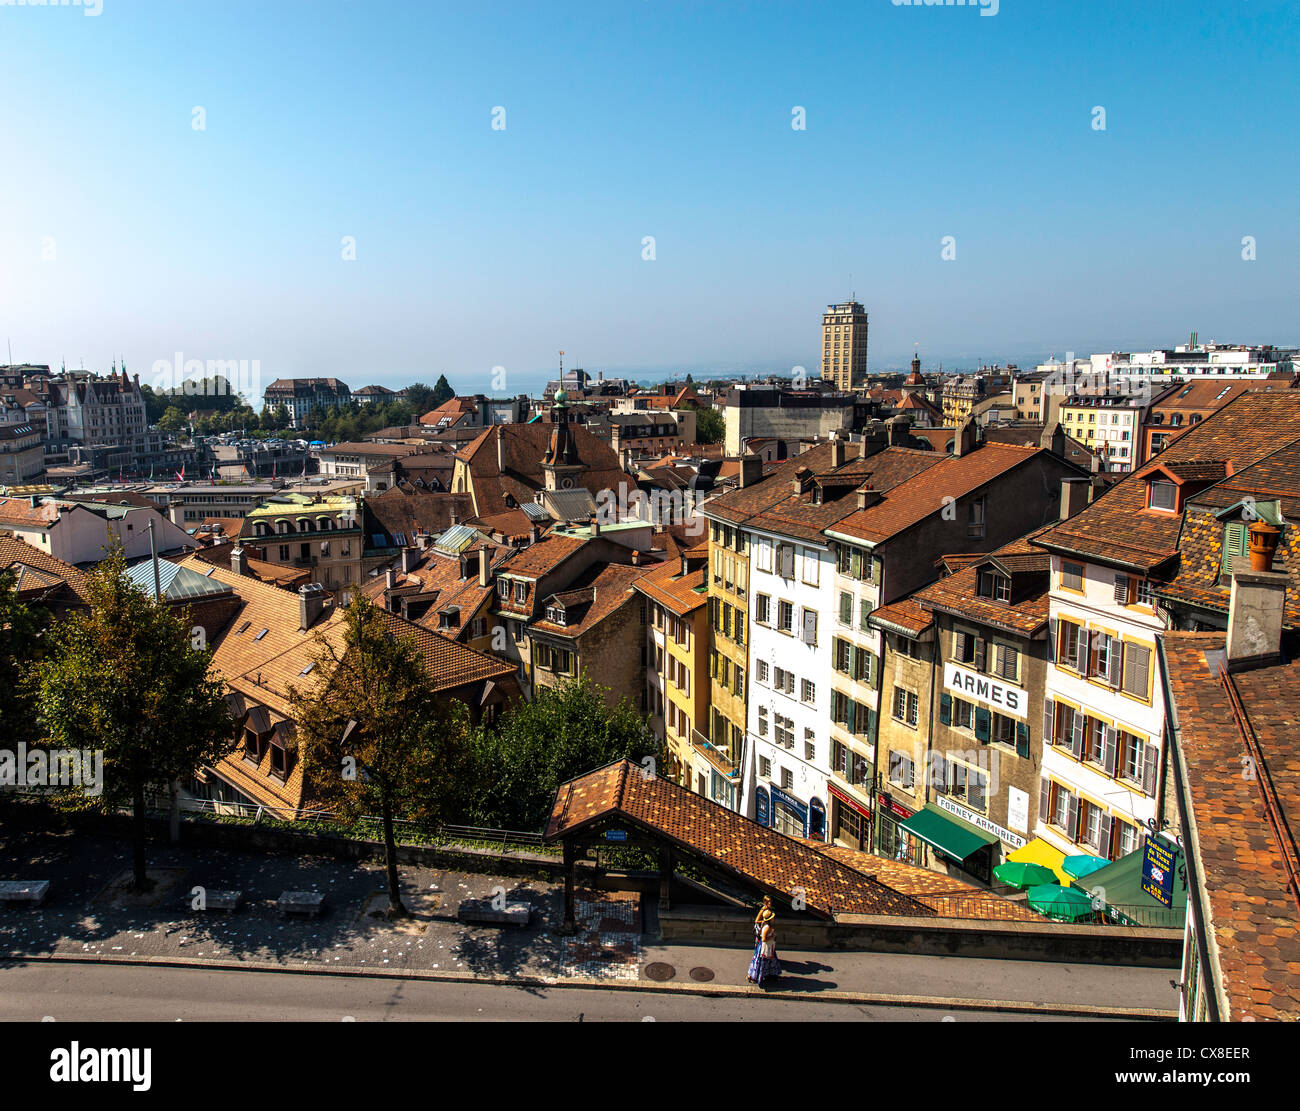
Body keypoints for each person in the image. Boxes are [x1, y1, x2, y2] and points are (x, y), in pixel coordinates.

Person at [747, 898, 781, 985]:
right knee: (764, 960)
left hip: (767, 945)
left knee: (766, 960)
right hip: (765, 945)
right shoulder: (767, 926)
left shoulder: (767, 925)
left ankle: (767, 975)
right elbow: (763, 939)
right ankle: (759, 976)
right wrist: (772, 936)